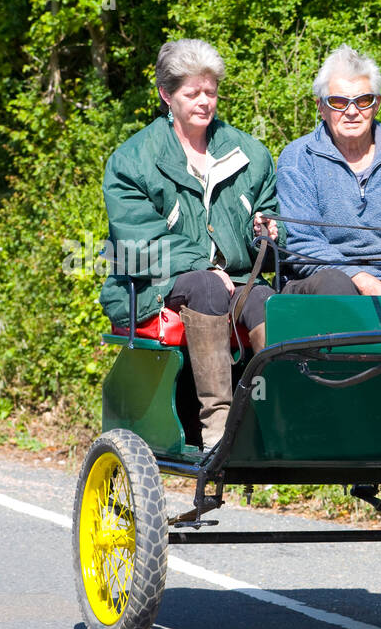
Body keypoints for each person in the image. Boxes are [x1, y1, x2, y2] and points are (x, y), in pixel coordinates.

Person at [99, 39, 290, 451]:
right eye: (192, 93)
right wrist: (207, 266)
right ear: (166, 95)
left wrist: (267, 236)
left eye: (211, 92)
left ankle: (279, 419)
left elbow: (271, 223)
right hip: (153, 283)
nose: (205, 102)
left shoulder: (251, 155)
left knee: (263, 300)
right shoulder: (131, 160)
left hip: (239, 280)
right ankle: (218, 428)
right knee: (204, 285)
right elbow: (138, 241)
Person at [276, 44, 381, 295]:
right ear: (321, 108)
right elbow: (301, 242)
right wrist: (366, 282)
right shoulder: (298, 159)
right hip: (324, 284)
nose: (351, 111)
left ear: (376, 104)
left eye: (363, 100)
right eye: (338, 102)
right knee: (335, 284)